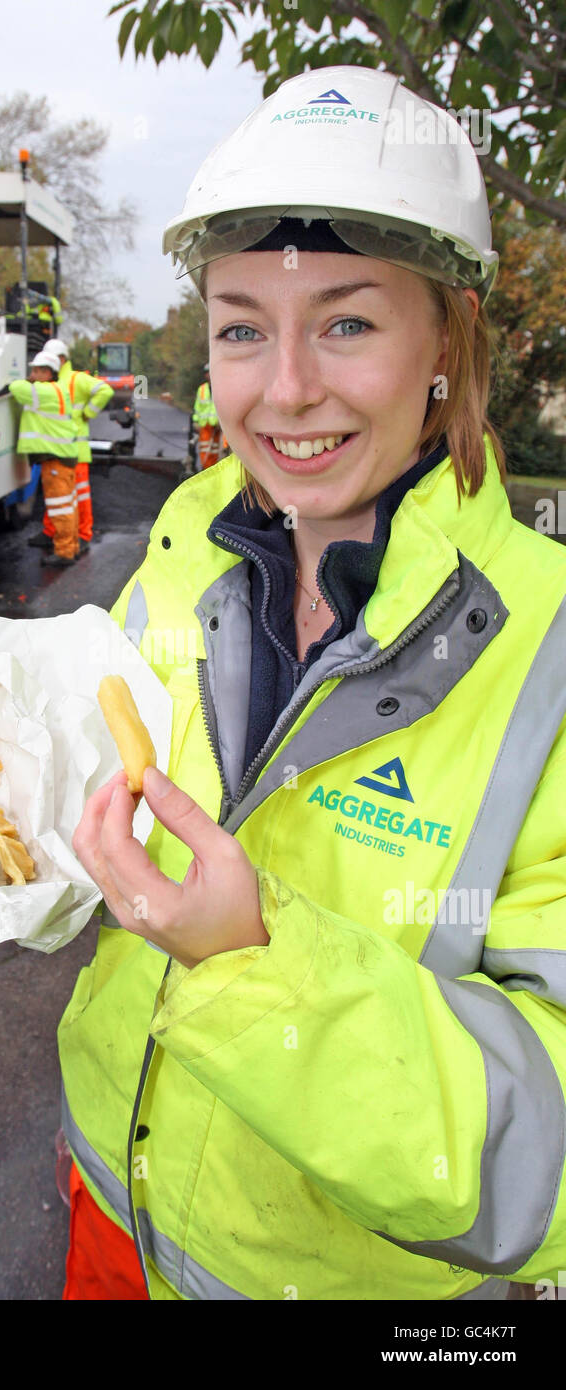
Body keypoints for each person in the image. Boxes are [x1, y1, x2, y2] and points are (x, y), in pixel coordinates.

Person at [60, 65, 566, 1301]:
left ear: (446, 343)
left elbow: (542, 1159)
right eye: (241, 327)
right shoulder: (178, 554)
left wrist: (251, 964)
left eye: (345, 322)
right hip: (103, 1208)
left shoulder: (545, 649)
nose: (282, 392)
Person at [28, 339, 115, 554]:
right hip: (55, 449)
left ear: (62, 359)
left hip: (75, 450)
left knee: (79, 496)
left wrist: (88, 413)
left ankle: (83, 534)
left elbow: (105, 390)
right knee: (58, 495)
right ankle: (51, 531)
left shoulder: (76, 379)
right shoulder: (52, 380)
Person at [7, 350, 80, 567]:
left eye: (38, 370)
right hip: (63, 457)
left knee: (60, 507)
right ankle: (70, 547)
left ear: (49, 373)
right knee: (68, 506)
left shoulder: (44, 392)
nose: (33, 374)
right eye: (33, 370)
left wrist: (27, 380)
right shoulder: (57, 389)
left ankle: (64, 552)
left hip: (56, 459)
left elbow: (15, 387)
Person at [191, 362, 228, 469]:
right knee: (205, 449)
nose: (209, 375)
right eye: (207, 373)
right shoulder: (202, 389)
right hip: (205, 426)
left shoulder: (223, 388)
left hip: (218, 427)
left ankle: (215, 471)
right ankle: (206, 470)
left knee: (219, 450)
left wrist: (222, 422)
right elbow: (198, 408)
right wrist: (196, 422)